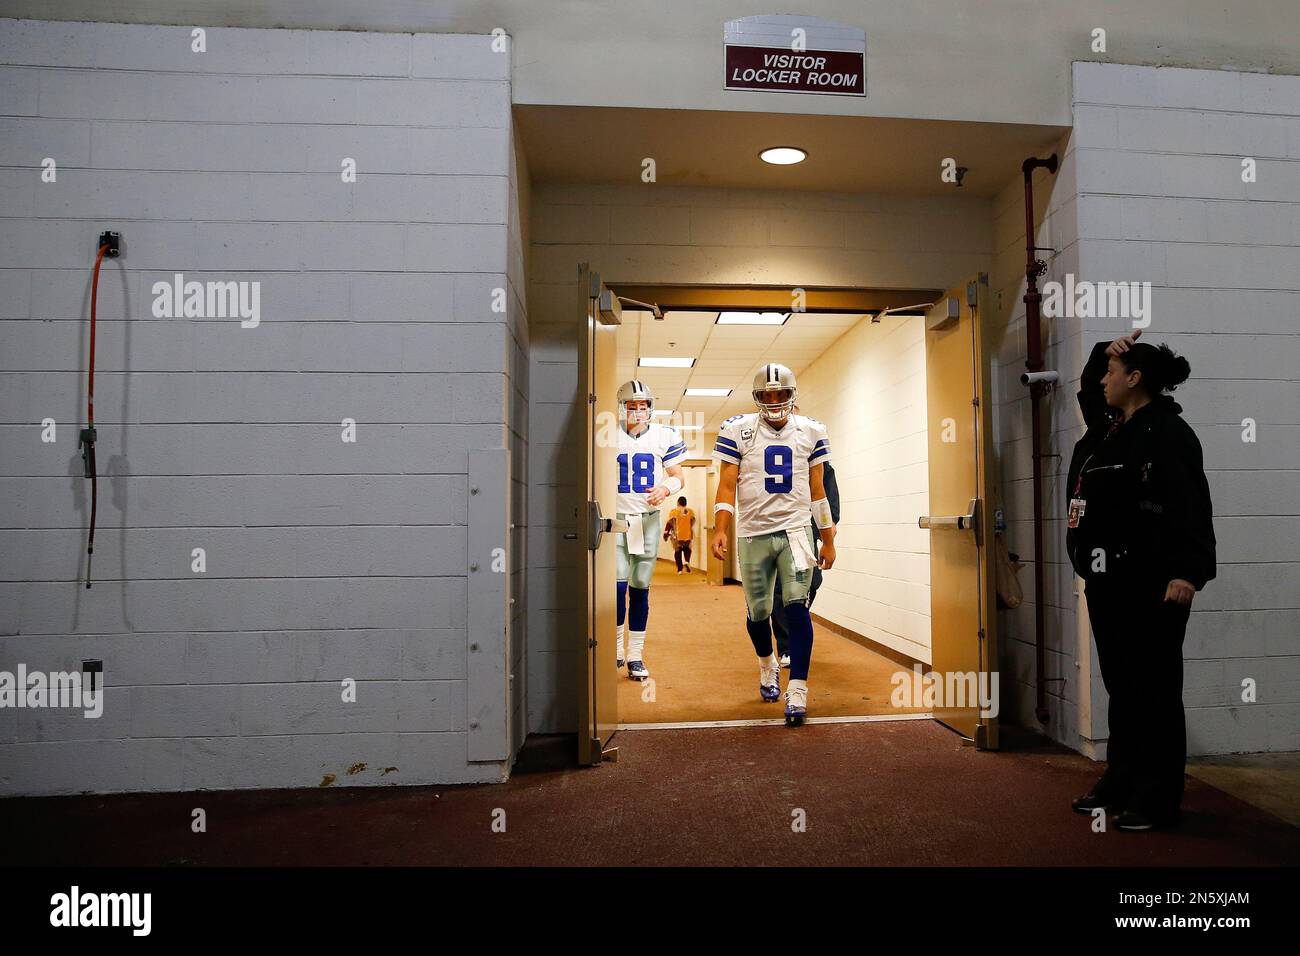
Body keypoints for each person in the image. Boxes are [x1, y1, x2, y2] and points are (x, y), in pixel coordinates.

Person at [1065, 329, 1215, 831]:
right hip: (1110, 582)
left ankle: (1157, 798)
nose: (1103, 382)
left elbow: (1192, 503)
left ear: (1136, 379)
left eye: (1113, 373)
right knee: (1123, 688)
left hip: (1155, 584)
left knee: (1155, 692)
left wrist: (1188, 572)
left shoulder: (1169, 433)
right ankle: (1121, 780)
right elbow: (1089, 388)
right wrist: (1100, 353)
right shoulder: (1109, 427)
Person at [711, 364, 836, 726]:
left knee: (797, 609)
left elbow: (818, 491)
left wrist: (827, 539)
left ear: (792, 394)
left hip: (796, 533)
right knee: (759, 613)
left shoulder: (812, 431)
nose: (776, 400)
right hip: (753, 533)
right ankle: (767, 664)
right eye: (768, 395)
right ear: (758, 398)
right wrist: (720, 528)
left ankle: (797, 690)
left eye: (781, 394)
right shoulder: (738, 430)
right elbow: (726, 485)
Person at [613, 380, 687, 681]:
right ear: (622, 408)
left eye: (643, 406)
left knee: (640, 587)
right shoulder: (606, 435)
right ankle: (616, 649)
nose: (638, 411)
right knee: (616, 588)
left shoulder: (664, 435)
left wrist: (665, 489)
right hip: (616, 518)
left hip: (647, 520)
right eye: (632, 406)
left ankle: (635, 655)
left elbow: (678, 476)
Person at [770, 457, 839, 667]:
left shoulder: (820, 462)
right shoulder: (770, 458)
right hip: (775, 533)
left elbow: (829, 495)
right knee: (780, 591)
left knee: (811, 583)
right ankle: (786, 647)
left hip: (806, 533)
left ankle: (795, 628)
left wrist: (830, 528)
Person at [663, 496, 697, 573]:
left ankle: (680, 569)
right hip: (688, 535)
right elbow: (693, 522)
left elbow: (669, 524)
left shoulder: (674, 512)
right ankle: (687, 562)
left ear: (678, 502)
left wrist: (666, 534)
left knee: (677, 551)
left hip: (677, 535)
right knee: (687, 549)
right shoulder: (690, 512)